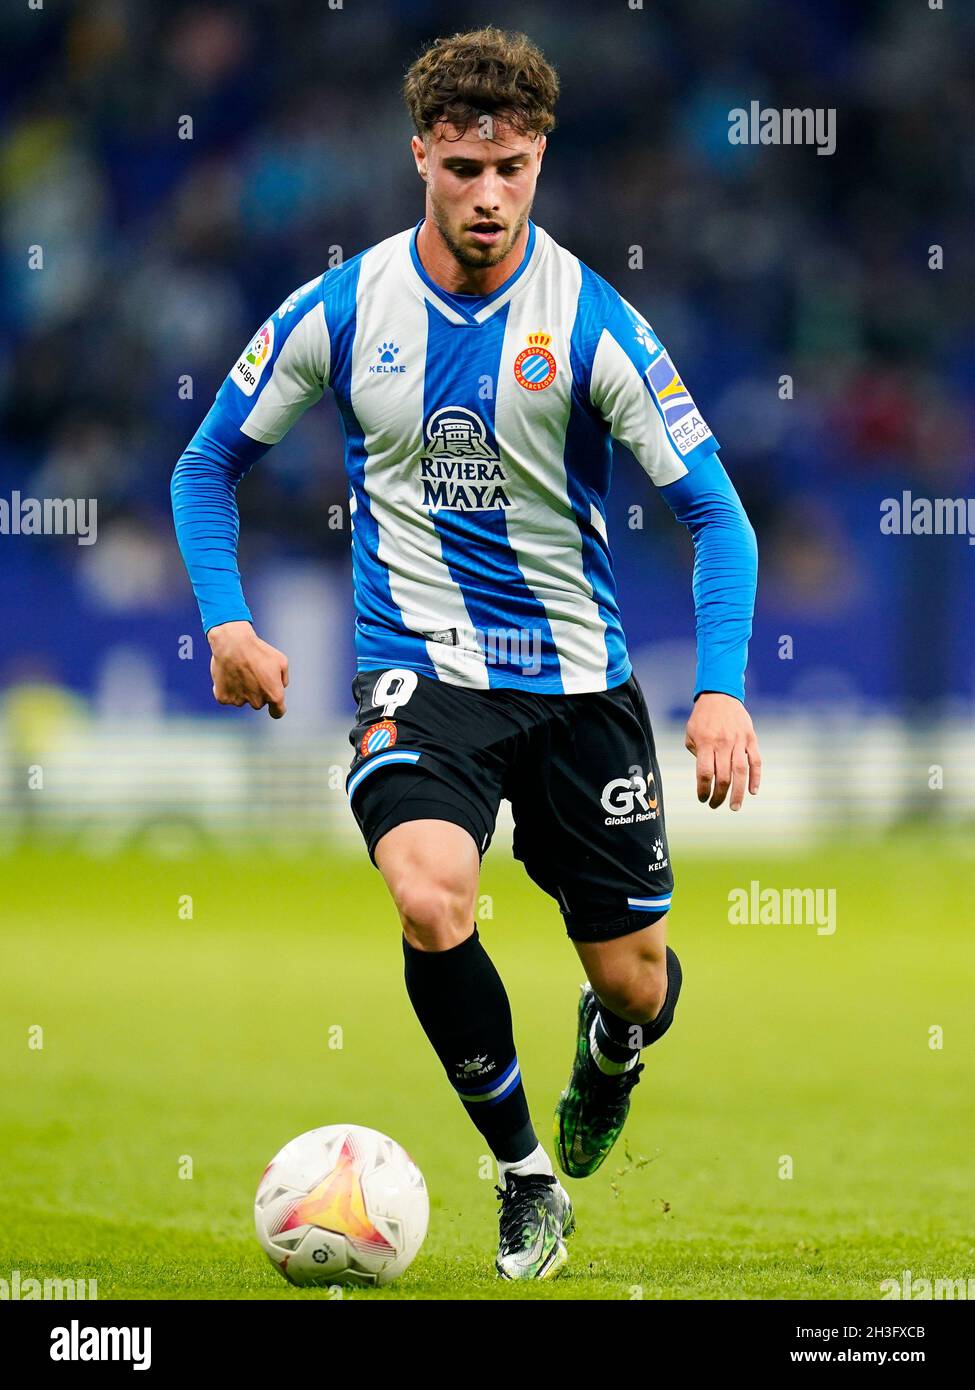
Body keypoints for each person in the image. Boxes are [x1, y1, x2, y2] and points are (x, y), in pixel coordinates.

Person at [172, 25, 761, 1282]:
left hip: (579, 685)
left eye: (512, 169)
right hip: (421, 674)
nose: (488, 197)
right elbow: (207, 460)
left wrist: (720, 689)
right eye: (461, 169)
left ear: (540, 160)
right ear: (421, 159)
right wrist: (225, 618)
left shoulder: (593, 324)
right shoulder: (345, 305)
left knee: (638, 979)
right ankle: (524, 1175)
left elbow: (717, 510)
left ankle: (613, 1049)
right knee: (434, 893)